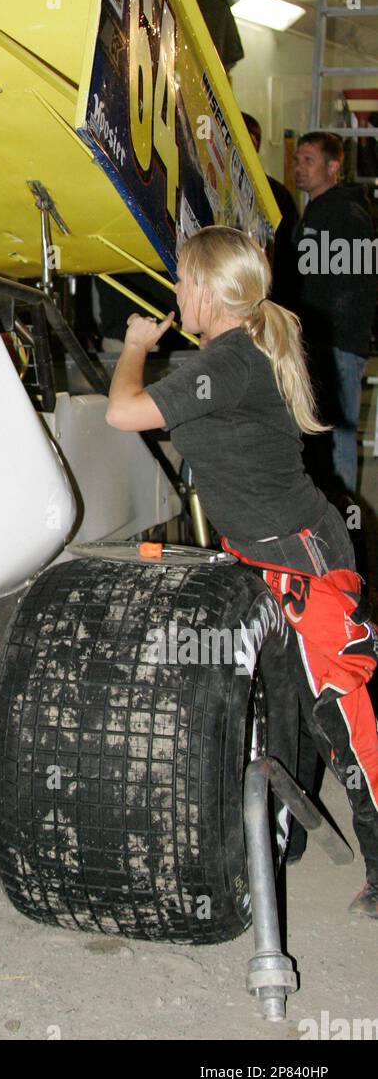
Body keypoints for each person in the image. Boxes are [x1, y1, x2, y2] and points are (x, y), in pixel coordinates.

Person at [106, 225, 378, 917]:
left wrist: (136, 347)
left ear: (203, 289)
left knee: (341, 715)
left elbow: (124, 411)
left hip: (302, 561)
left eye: (180, 282)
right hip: (265, 554)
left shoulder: (229, 360)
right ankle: (285, 835)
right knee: (283, 699)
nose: (173, 293)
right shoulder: (228, 356)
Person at [291, 131, 377, 499]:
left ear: (334, 166)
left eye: (308, 160)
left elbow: (353, 286)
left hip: (335, 343)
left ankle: (344, 524)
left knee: (336, 434)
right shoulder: (324, 212)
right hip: (331, 342)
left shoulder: (342, 214)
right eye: (297, 159)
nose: (299, 167)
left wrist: (325, 336)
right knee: (326, 434)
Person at [241, 112, 300, 309]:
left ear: (253, 143)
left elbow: (286, 254)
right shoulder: (210, 188)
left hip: (264, 297)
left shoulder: (274, 194)